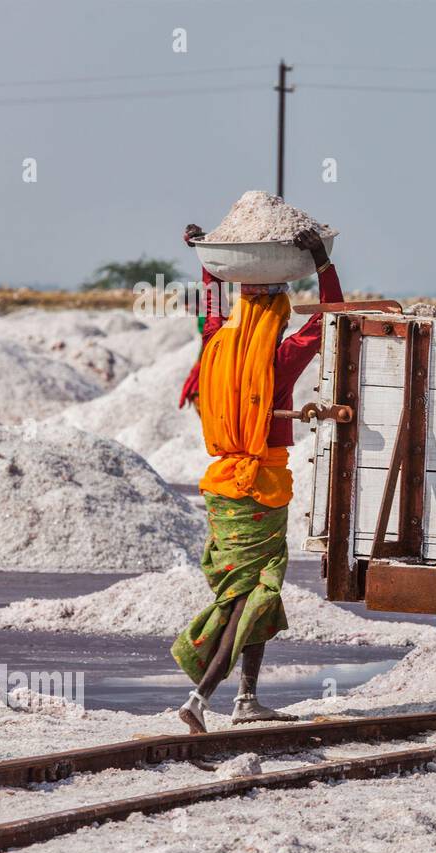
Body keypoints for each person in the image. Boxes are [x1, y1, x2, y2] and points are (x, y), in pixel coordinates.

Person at [171, 222, 343, 733]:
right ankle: (201, 697)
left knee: (255, 592)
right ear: (277, 311)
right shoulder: (280, 358)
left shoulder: (216, 347)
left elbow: (212, 308)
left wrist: (207, 261)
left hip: (221, 489)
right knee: (253, 594)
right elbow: (330, 319)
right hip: (261, 490)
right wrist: (322, 263)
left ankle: (247, 698)